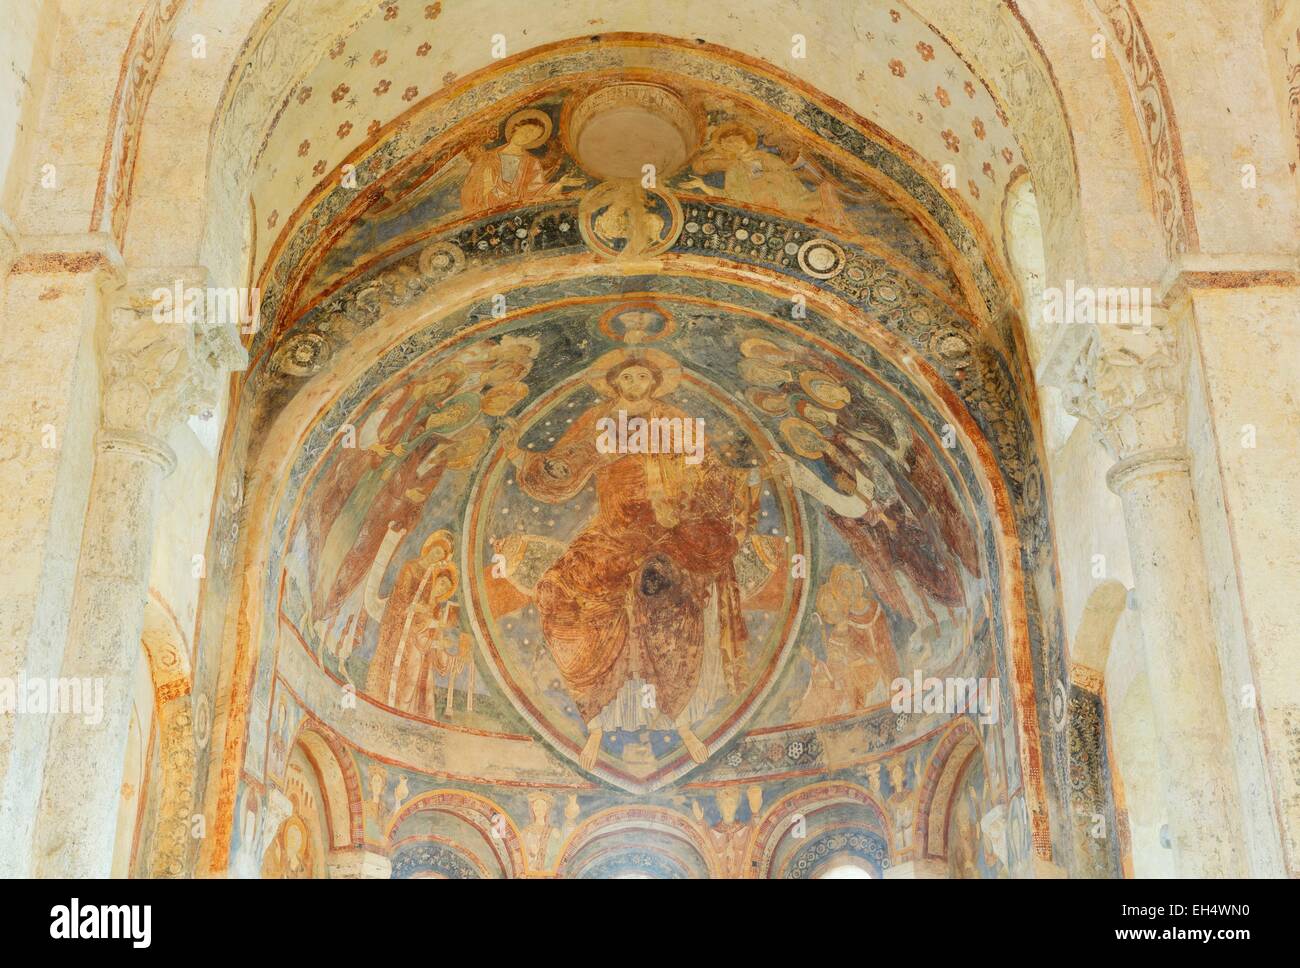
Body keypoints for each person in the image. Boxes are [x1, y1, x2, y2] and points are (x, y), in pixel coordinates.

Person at [503, 348, 754, 770]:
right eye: (627, 378)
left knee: (667, 600)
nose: (635, 385)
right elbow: (563, 467)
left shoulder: (675, 420)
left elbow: (708, 469)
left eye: (642, 377)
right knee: (561, 589)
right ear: (615, 383)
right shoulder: (599, 423)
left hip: (668, 528)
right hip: (614, 529)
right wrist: (522, 459)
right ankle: (596, 721)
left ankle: (682, 717)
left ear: (655, 382)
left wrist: (736, 477)